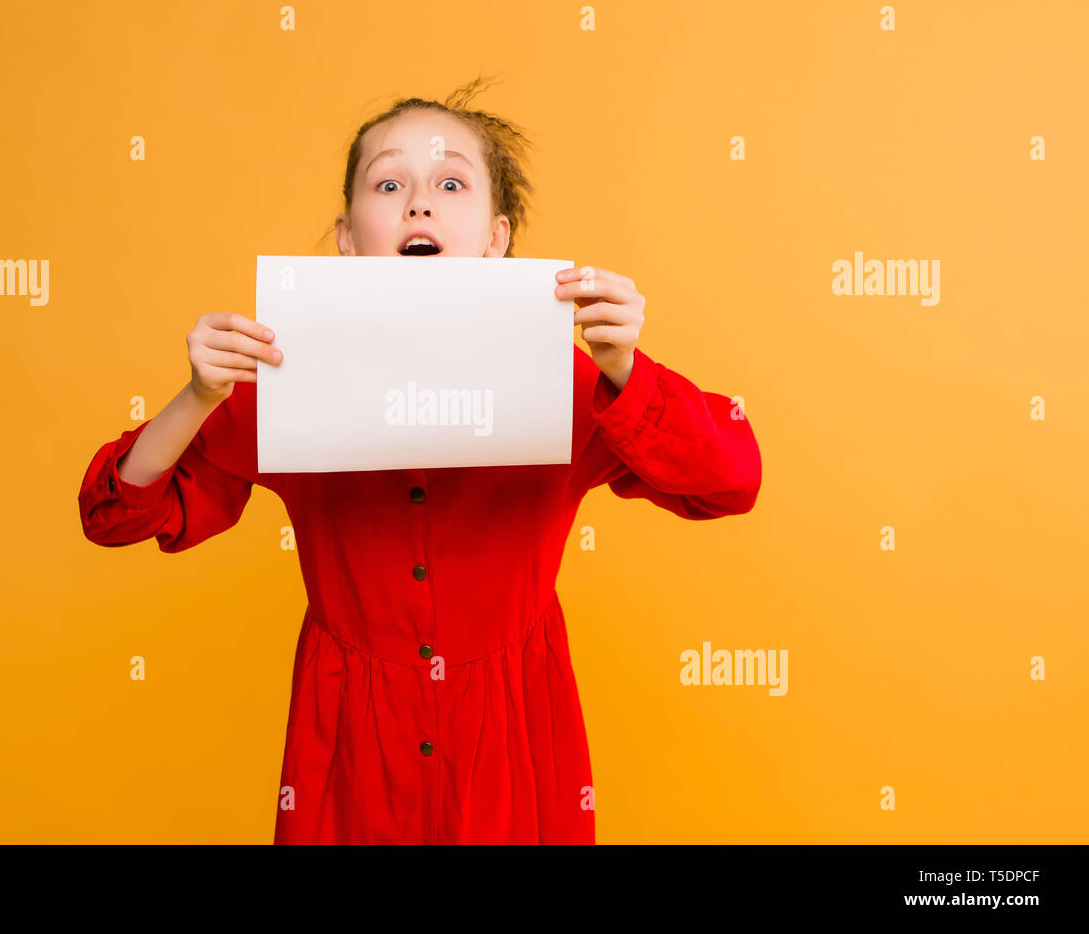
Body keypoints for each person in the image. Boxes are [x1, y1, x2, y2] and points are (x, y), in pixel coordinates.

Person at [77, 76, 762, 843]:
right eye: (390, 181)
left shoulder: (571, 383)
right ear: (347, 239)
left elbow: (729, 481)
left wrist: (626, 367)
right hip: (347, 748)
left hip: (515, 742)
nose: (419, 202)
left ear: (495, 238)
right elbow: (115, 517)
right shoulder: (282, 383)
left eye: (450, 182)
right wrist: (198, 395)